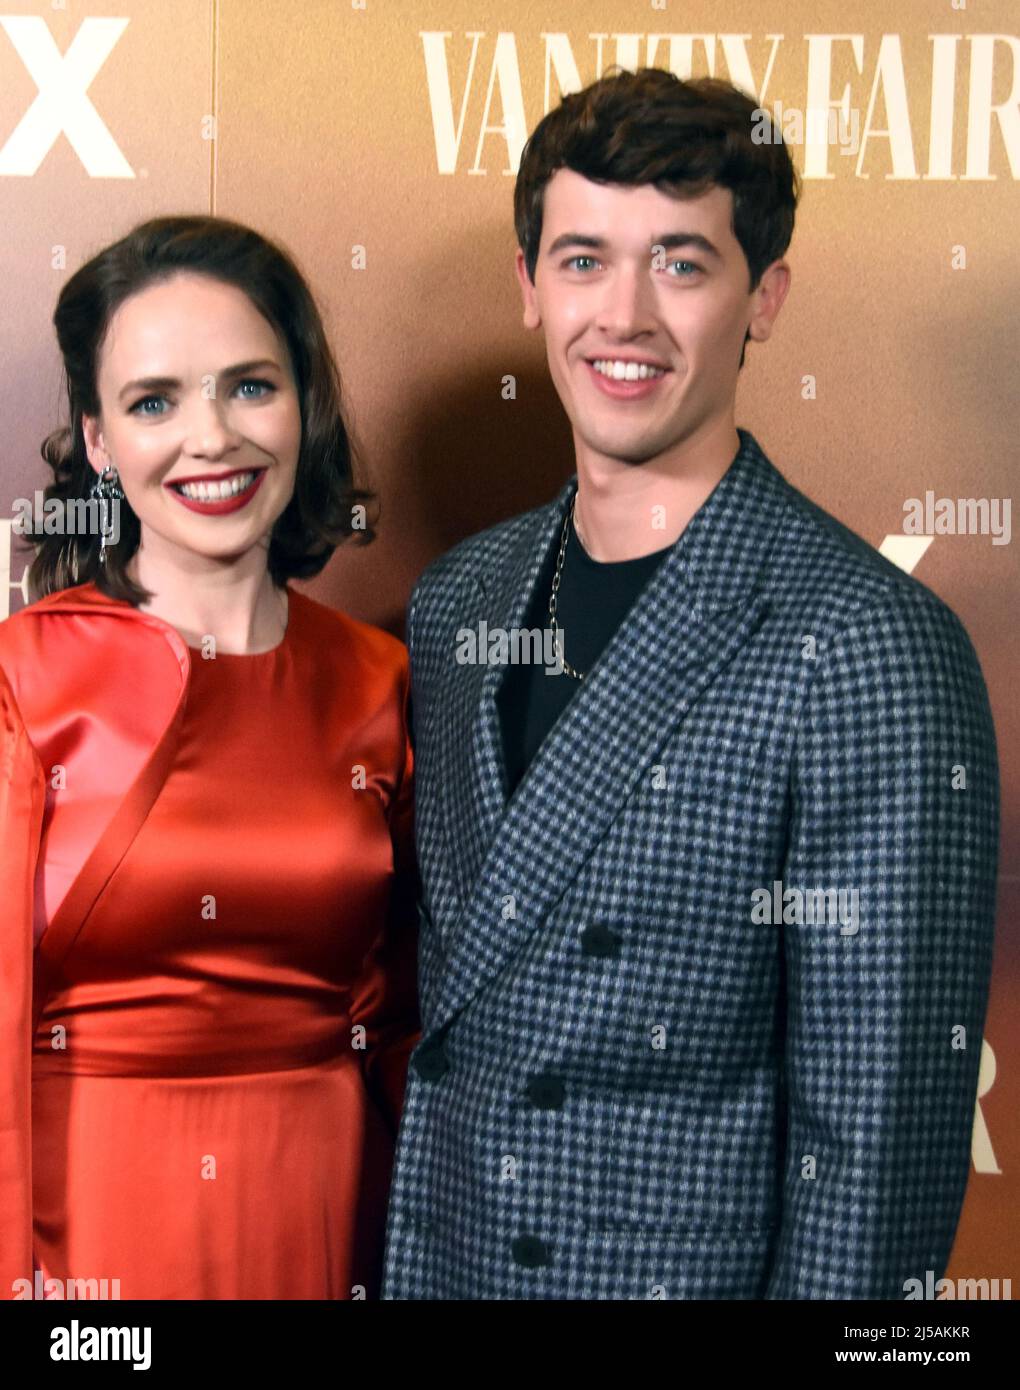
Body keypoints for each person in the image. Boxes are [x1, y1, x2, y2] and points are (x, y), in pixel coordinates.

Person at [381, 69, 1000, 1300]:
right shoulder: (460, 601)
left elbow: (874, 1163)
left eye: (679, 262)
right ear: (527, 285)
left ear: (763, 298)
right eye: (581, 260)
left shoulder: (870, 643)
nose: (623, 316)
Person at [0, 215, 420, 1300]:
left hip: (327, 1209)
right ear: (98, 440)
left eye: (250, 386)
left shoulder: (382, 679)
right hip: (84, 1233)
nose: (213, 437)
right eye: (154, 401)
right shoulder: (24, 679)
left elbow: (409, 1017)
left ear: (303, 402)